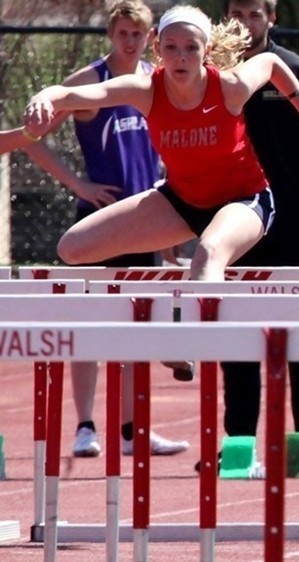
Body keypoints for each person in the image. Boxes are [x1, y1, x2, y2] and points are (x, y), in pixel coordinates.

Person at [22, 4, 299, 282]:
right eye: (171, 48)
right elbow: (72, 94)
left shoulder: (230, 87)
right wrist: (45, 97)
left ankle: (193, 345)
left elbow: (273, 64)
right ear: (158, 50)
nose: (180, 57)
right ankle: (175, 335)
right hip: (182, 202)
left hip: (244, 200)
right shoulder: (145, 90)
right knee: (73, 248)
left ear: (206, 52)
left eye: (191, 48)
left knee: (208, 253)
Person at [22, 0, 189, 456]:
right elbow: (31, 137)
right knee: (89, 324)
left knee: (139, 323)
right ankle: (86, 427)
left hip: (148, 217)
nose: (130, 41)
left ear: (149, 38)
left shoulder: (159, 79)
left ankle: (133, 430)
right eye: (123, 34)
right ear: (111, 35)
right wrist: (78, 183)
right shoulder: (88, 81)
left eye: (138, 34)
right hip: (100, 216)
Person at [216, 0, 299, 474]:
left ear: (270, 18)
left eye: (254, 14)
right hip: (235, 224)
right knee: (237, 338)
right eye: (236, 14)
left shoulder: (296, 73)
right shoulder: (213, 73)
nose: (244, 24)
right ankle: (239, 443)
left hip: (294, 224)